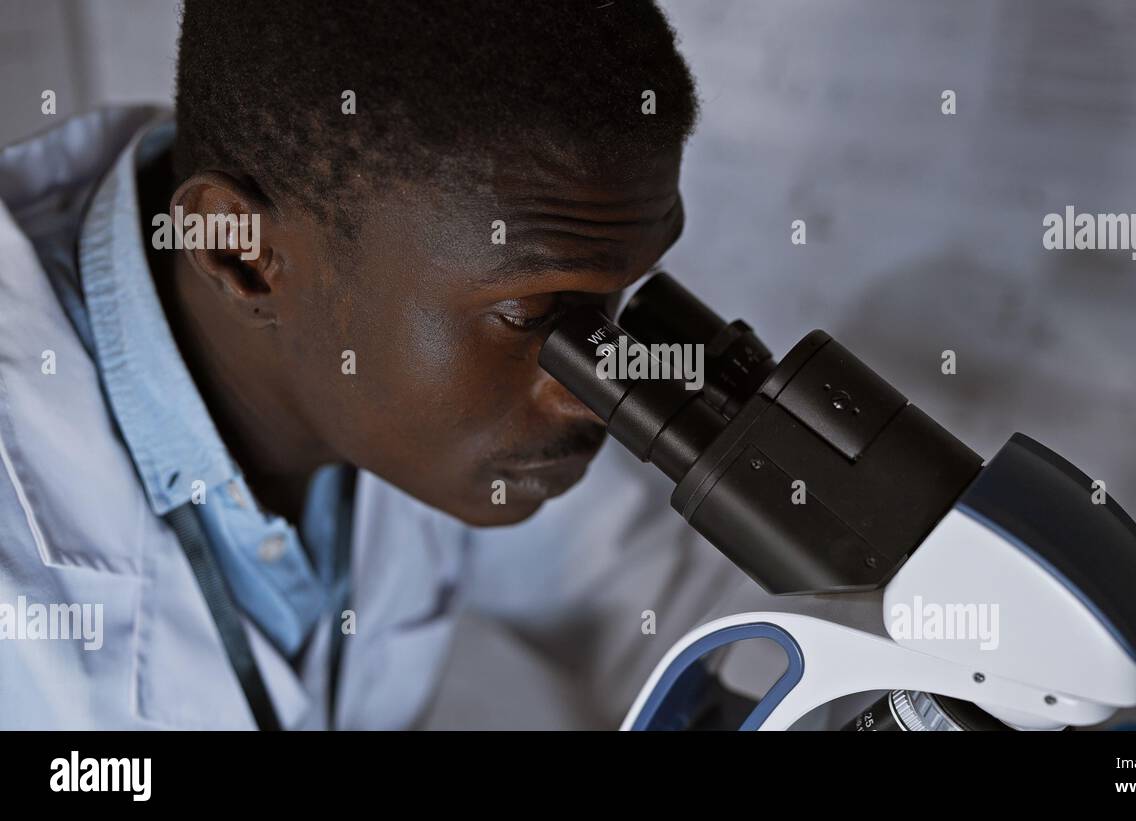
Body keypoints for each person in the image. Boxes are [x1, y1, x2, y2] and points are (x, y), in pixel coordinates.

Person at [0, 0, 705, 729]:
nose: (594, 396)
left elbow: (646, 597)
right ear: (242, 256)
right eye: (529, 316)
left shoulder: (380, 275)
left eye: (619, 296)